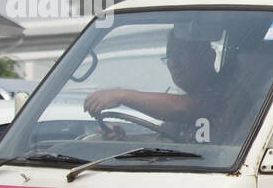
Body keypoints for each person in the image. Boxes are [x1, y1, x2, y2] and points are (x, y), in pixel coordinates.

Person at [84, 29, 230, 141]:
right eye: (169, 57)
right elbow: (167, 144)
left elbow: (183, 109)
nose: (173, 64)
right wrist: (125, 138)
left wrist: (121, 95)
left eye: (180, 55)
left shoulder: (222, 96)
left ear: (208, 57)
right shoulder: (186, 101)